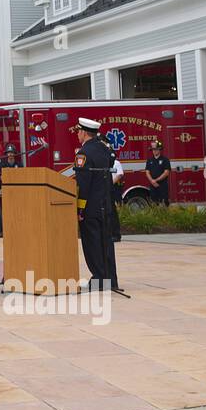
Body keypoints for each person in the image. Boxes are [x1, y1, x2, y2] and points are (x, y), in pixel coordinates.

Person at [72, 117, 122, 292]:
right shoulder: (104, 149)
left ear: (84, 132)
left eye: (78, 131)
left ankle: (100, 278)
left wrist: (80, 209)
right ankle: (111, 279)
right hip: (106, 205)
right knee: (106, 243)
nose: (77, 134)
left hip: (91, 208)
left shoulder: (83, 154)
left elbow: (83, 186)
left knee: (93, 244)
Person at [145, 141, 172, 206]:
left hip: (162, 185)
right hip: (153, 186)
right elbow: (147, 172)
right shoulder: (149, 160)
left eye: (156, 149)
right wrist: (152, 181)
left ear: (159, 150)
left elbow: (166, 173)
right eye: (153, 150)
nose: (154, 151)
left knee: (164, 203)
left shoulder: (165, 160)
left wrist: (156, 180)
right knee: (154, 203)